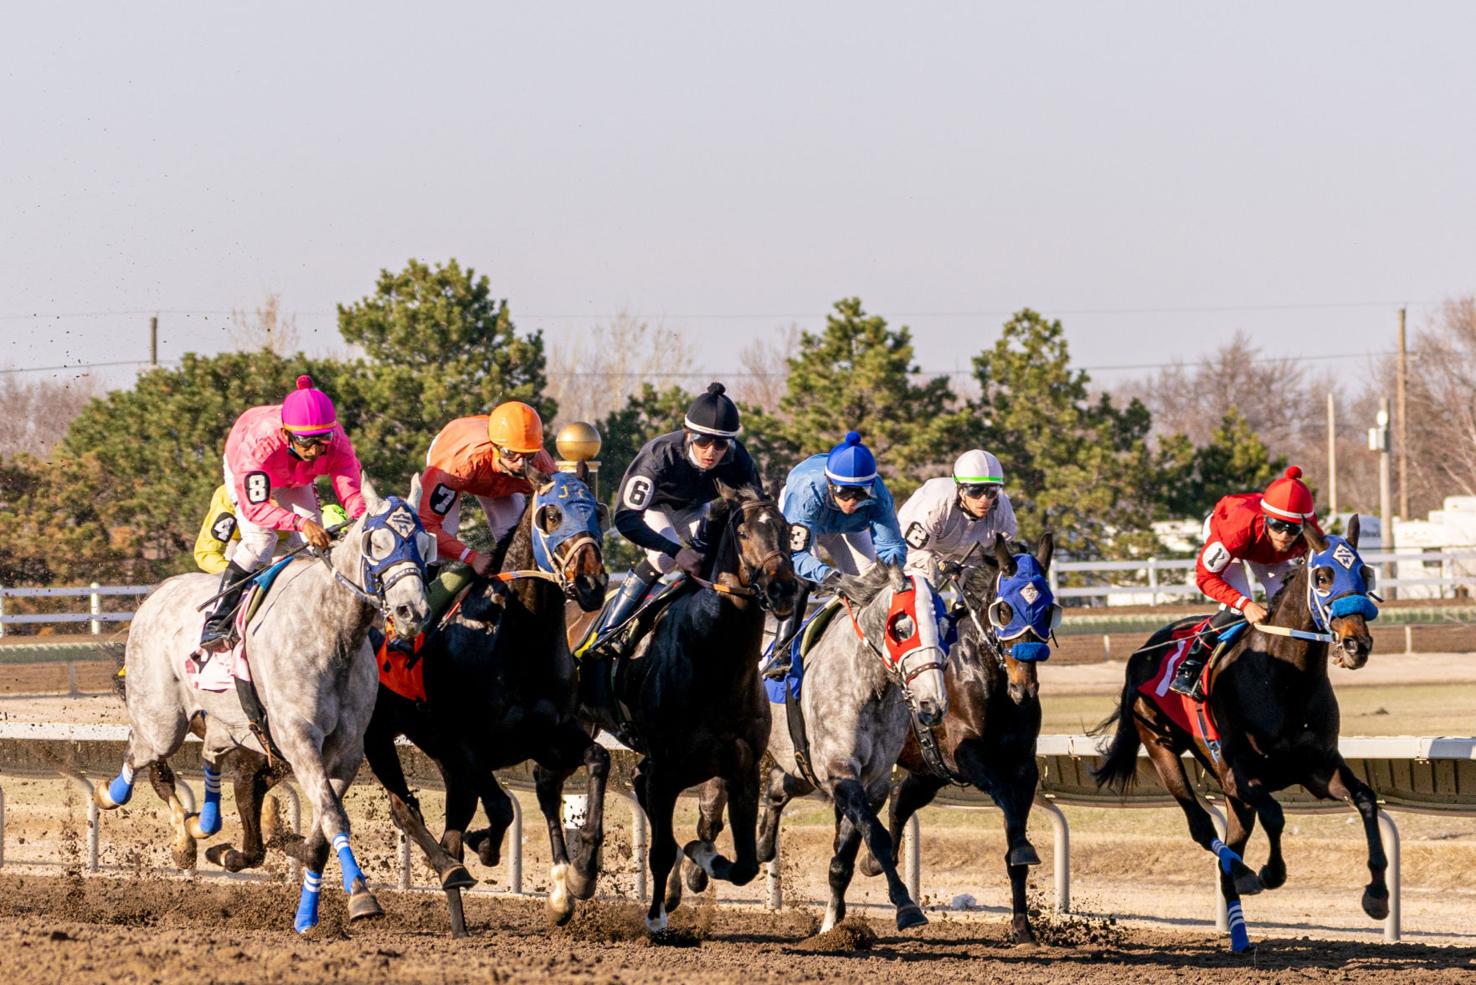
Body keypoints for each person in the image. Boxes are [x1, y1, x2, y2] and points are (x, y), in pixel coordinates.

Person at [198, 375, 366, 651]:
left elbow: (350, 490)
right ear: (287, 434)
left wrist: (360, 517)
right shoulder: (258, 447)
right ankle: (216, 621)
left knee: (312, 548)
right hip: (251, 461)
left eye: (322, 440)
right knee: (261, 542)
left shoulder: (337, 441)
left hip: (294, 475)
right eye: (307, 442)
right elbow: (255, 510)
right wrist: (299, 522)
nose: (315, 450)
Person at [593, 382, 764, 640]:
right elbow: (626, 518)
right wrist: (677, 550)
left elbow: (755, 510)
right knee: (665, 560)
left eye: (720, 444)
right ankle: (611, 629)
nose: (711, 451)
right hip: (653, 507)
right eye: (703, 440)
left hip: (695, 507)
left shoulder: (738, 457)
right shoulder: (658, 456)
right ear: (687, 433)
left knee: (715, 557)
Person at [762, 430, 905, 680]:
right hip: (807, 519)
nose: (850, 502)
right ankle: (781, 651)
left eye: (860, 494)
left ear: (871, 488)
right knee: (800, 581)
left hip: (849, 528)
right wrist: (829, 576)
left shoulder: (880, 496)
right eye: (843, 492)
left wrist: (886, 574)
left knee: (875, 585)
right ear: (829, 484)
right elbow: (797, 556)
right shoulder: (807, 493)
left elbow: (892, 547)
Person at [1169, 465, 1320, 700]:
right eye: (1277, 525)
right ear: (1266, 518)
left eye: (1293, 529)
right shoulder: (1235, 533)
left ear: (1305, 526)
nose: (1284, 535)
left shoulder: (1309, 534)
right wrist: (1244, 603)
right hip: (1232, 532)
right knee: (1237, 610)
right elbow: (1205, 577)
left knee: (1286, 606)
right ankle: (1190, 666)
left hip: (1265, 551)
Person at [411, 402, 558, 578]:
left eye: (528, 455)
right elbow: (426, 524)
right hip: (455, 447)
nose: (520, 463)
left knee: (514, 539)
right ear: (495, 447)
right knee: (439, 540)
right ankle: (426, 588)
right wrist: (472, 558)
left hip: (494, 475)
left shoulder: (542, 465)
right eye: (511, 454)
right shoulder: (457, 463)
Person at [896, 449, 1018, 586]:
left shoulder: (1003, 509)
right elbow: (910, 553)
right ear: (960, 488)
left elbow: (1003, 557)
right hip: (924, 555)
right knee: (925, 594)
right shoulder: (933, 504)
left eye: (992, 491)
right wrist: (940, 565)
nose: (984, 499)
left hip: (973, 561)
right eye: (975, 491)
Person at [193, 483, 348, 574]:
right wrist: (243, 575)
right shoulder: (226, 495)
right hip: (237, 542)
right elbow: (206, 554)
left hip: (284, 540)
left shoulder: (296, 487)